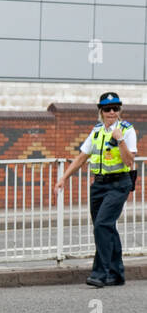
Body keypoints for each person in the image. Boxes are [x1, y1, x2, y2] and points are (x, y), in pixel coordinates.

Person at [55, 92, 136, 288]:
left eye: (115, 108)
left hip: (119, 184)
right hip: (99, 185)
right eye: (107, 109)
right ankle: (117, 274)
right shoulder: (97, 131)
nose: (111, 112)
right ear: (100, 111)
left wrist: (120, 141)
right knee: (107, 227)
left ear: (119, 111)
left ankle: (100, 274)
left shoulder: (126, 130)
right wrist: (64, 178)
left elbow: (129, 161)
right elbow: (83, 156)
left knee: (101, 225)